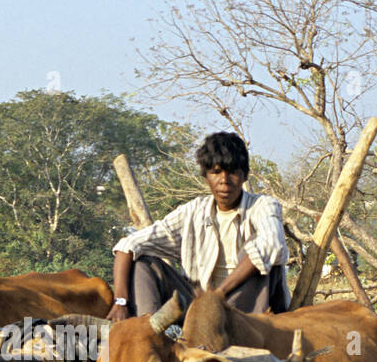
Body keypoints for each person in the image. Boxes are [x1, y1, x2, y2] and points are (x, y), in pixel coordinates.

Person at [109, 132, 291, 323]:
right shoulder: (192, 212)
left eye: (232, 172)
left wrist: (218, 295)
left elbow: (271, 244)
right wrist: (120, 301)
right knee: (143, 262)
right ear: (206, 177)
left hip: (243, 308)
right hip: (197, 305)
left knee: (259, 252)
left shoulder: (263, 206)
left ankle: (232, 328)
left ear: (244, 176)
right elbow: (128, 245)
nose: (224, 180)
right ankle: (151, 331)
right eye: (216, 172)